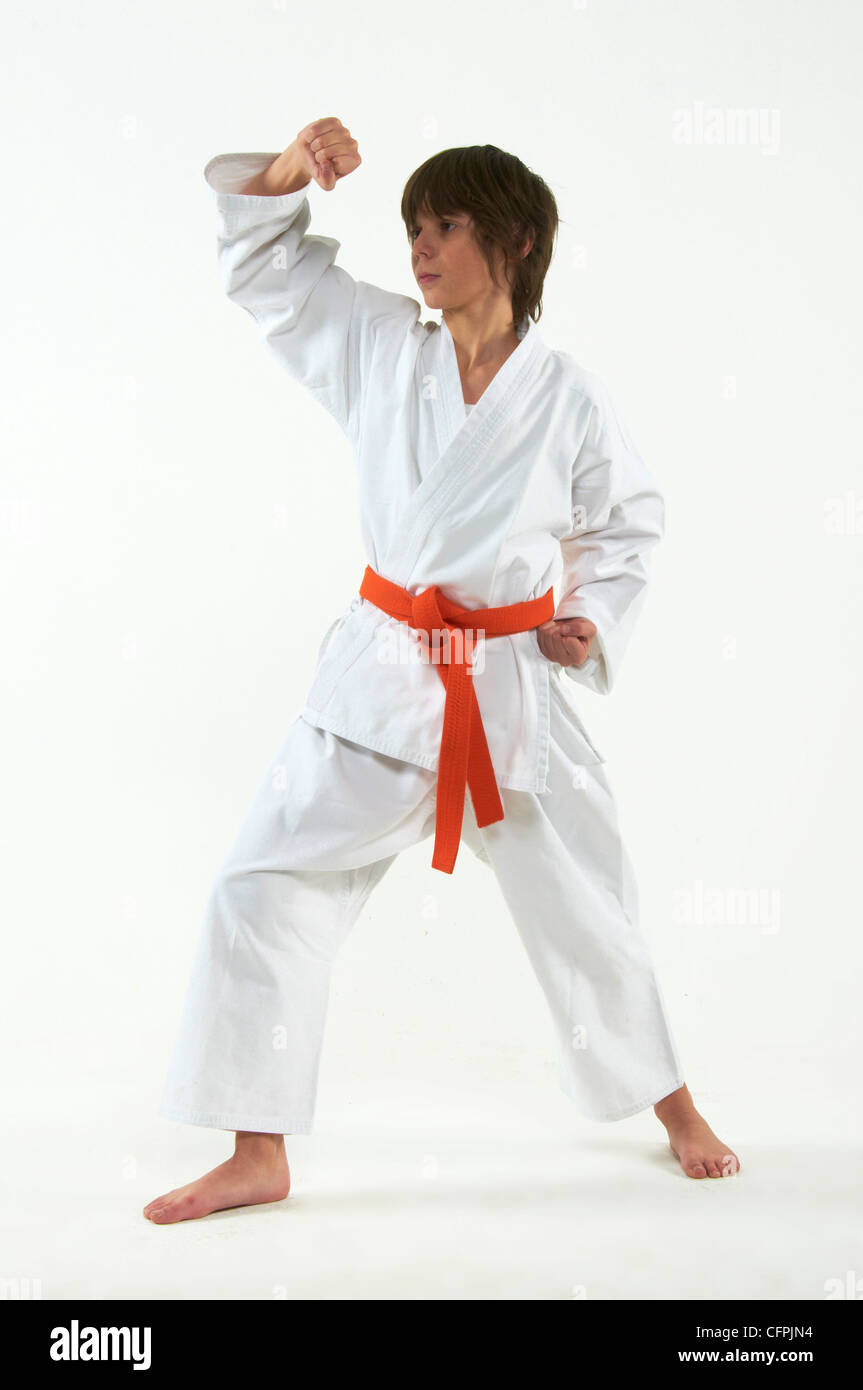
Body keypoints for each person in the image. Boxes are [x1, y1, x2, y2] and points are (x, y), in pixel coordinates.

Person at [144, 117, 740, 1225]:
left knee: (587, 911)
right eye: (413, 226)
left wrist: (588, 620)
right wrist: (283, 173)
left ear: (511, 242)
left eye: (447, 225)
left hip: (507, 689)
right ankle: (257, 1148)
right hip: (378, 680)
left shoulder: (568, 398)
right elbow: (269, 268)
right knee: (258, 883)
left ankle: (675, 1110)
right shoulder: (380, 346)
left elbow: (625, 528)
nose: (420, 246)